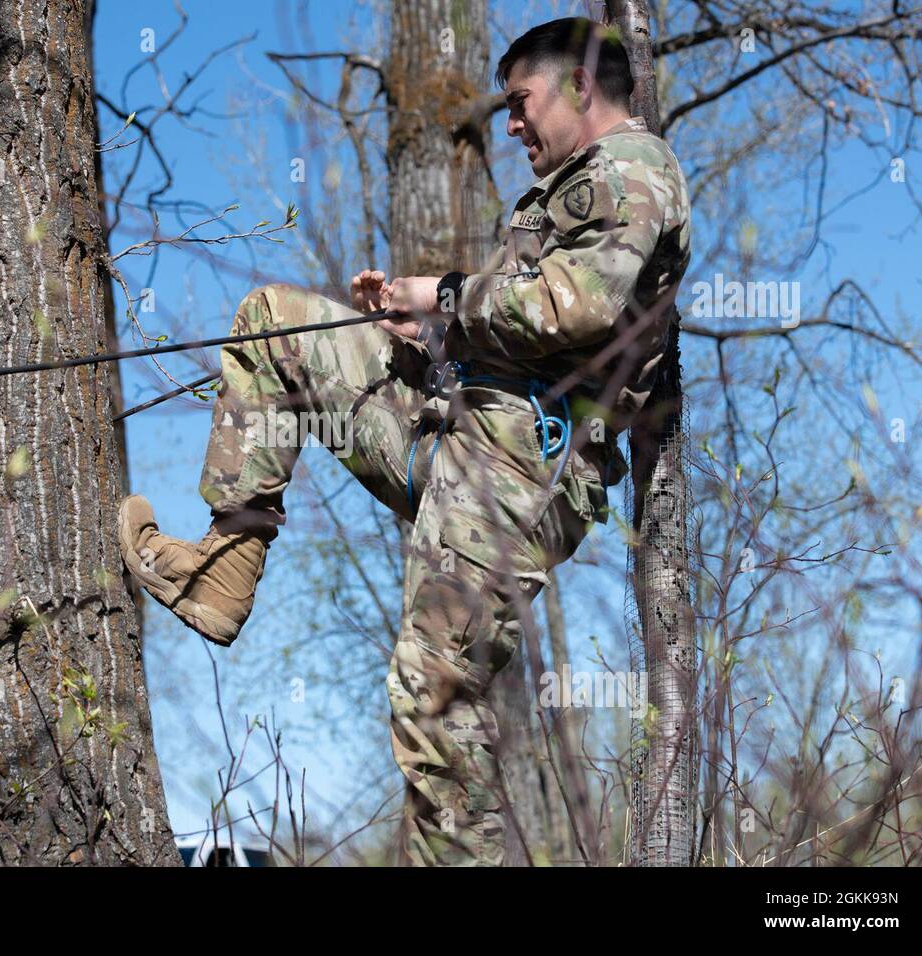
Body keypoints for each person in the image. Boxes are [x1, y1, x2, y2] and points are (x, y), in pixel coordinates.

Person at [118, 16, 691, 866]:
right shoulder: (581, 184)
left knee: (434, 701)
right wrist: (427, 332)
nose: (511, 124)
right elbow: (546, 328)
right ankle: (225, 565)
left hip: (515, 476)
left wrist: (446, 294)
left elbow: (581, 306)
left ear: (577, 87)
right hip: (460, 431)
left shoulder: (631, 170)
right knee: (274, 324)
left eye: (521, 101)